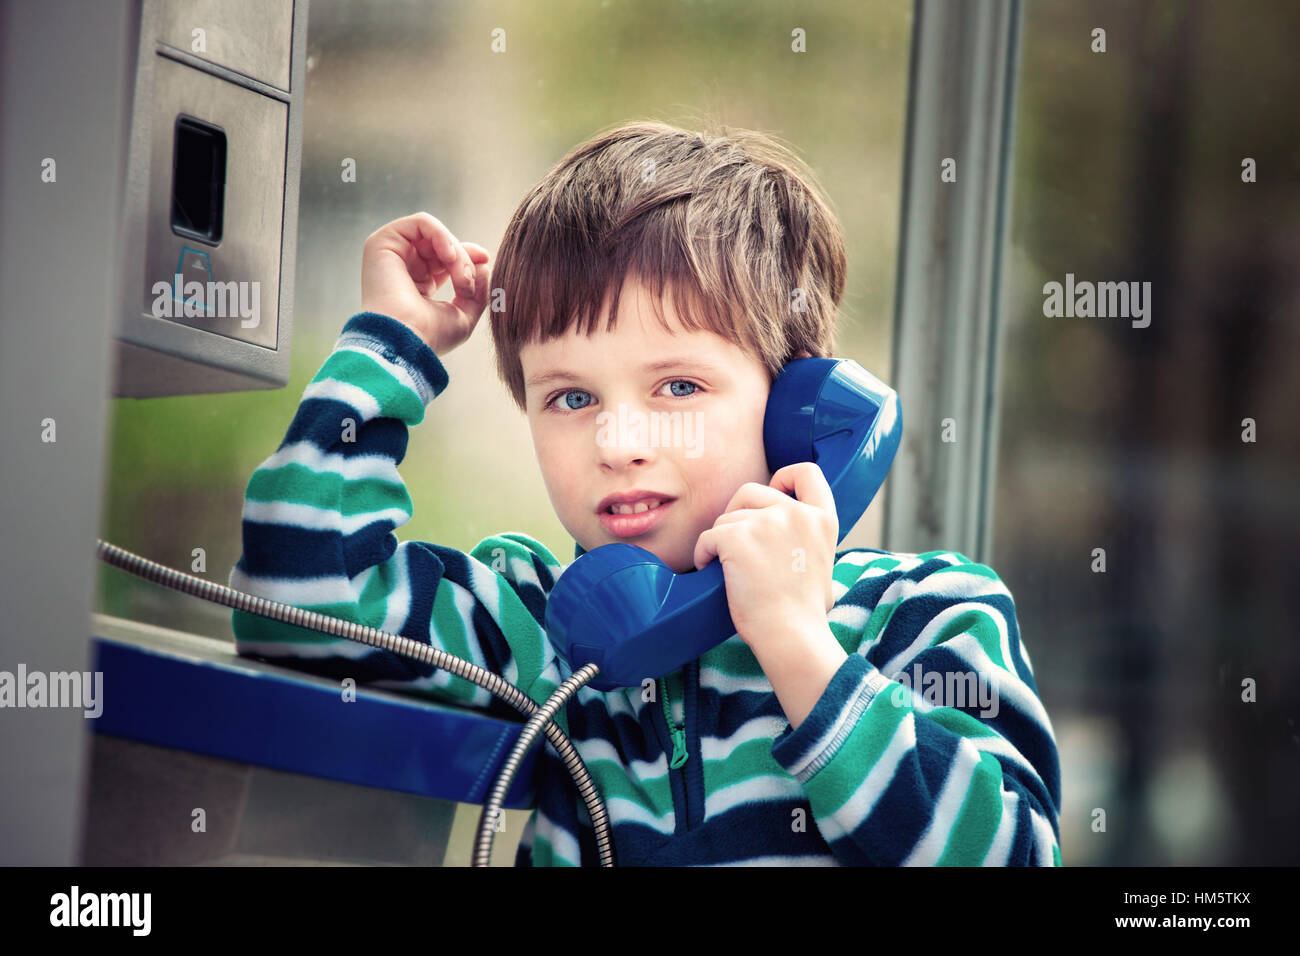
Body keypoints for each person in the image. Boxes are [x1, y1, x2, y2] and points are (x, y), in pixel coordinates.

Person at [229, 120, 1062, 866]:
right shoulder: (544, 637)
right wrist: (395, 347)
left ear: (793, 405)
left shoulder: (923, 614)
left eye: (678, 388)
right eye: (572, 398)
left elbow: (1010, 855)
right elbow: (299, 593)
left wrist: (803, 652)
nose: (619, 444)